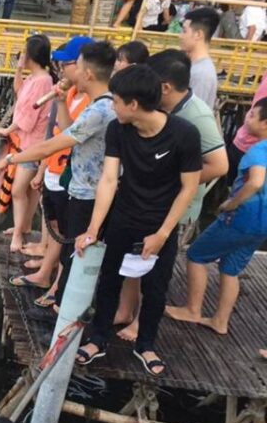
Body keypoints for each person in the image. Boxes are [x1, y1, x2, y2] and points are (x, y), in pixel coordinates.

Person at [74, 65, 202, 376]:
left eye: (116, 100)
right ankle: (99, 337)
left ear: (133, 105)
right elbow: (108, 179)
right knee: (109, 281)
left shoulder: (184, 134)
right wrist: (92, 229)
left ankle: (146, 344)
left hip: (162, 222)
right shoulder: (119, 128)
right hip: (124, 216)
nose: (112, 106)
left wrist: (162, 233)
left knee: (156, 288)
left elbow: (188, 188)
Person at [0, 41, 118, 317]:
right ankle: (61, 304)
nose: (69, 71)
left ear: (88, 73)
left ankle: (64, 319)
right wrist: (59, 101)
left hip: (88, 196)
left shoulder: (100, 110)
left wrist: (7, 160)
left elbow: (50, 145)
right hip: (79, 190)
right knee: (70, 253)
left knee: (74, 260)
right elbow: (70, 132)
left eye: (75, 66)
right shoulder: (101, 105)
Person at [114, 50, 228, 341]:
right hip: (145, 204)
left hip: (176, 206)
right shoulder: (162, 113)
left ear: (165, 87)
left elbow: (219, 165)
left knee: (153, 270)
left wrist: (166, 182)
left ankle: (141, 322)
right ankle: (125, 311)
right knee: (132, 261)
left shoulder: (196, 115)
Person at [166, 98, 267, 335]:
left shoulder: (259, 149)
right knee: (231, 268)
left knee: (196, 255)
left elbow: (256, 181)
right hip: (261, 226)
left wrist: (232, 202)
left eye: (253, 115)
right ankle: (220, 321)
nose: (247, 117)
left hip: (241, 218)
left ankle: (193, 309)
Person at [6, 37, 95, 303]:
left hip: (74, 176)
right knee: (55, 224)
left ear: (83, 67)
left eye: (66, 63)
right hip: (53, 166)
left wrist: (18, 160)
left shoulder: (94, 102)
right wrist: (43, 168)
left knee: (69, 235)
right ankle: (47, 274)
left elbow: (69, 136)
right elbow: (59, 131)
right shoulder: (68, 93)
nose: (60, 68)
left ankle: (57, 288)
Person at [0, 35, 54, 252]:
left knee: (18, 191)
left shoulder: (42, 81)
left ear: (32, 55)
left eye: (25, 52)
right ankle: (24, 226)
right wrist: (18, 69)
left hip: (33, 144)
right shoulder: (36, 79)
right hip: (33, 142)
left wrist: (7, 130)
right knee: (29, 191)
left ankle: (18, 234)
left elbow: (28, 119)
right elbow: (20, 92)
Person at [229, 73, 267, 188]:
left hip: (249, 145)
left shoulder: (258, 152)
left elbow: (255, 184)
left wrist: (231, 204)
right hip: (244, 143)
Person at [179, 7, 220, 110]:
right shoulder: (194, 66)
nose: (180, 36)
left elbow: (191, 115)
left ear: (198, 35)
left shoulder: (201, 74)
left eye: (184, 31)